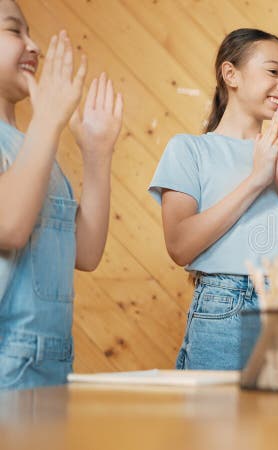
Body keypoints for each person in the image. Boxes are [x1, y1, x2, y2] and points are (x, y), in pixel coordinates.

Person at [149, 28, 278, 370]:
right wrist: (256, 180)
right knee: (215, 421)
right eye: (273, 72)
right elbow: (180, 246)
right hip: (221, 308)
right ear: (230, 74)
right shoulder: (190, 150)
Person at [0, 0, 123, 390]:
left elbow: (85, 252)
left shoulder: (38, 147)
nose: (33, 45)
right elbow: (8, 227)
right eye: (13, 30)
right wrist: (49, 120)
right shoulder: (39, 137)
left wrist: (97, 155)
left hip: (52, 366)